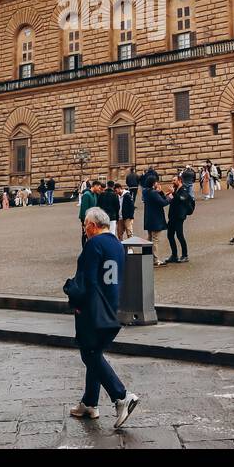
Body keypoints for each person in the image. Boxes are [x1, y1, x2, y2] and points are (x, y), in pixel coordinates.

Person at [64, 208, 139, 428]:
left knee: (90, 354)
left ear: (93, 225)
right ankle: (89, 402)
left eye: (85, 224)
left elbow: (86, 282)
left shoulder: (93, 244)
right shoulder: (117, 244)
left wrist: (70, 289)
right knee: (94, 352)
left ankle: (122, 396)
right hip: (111, 306)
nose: (84, 228)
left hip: (92, 309)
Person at [142, 179, 169, 267]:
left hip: (149, 218)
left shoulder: (145, 192)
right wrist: (170, 198)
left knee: (150, 238)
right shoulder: (153, 193)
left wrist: (160, 192)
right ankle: (156, 260)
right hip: (156, 219)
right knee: (155, 239)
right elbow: (162, 202)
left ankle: (146, 257)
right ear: (153, 184)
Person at [165, 177, 191, 264]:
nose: (172, 182)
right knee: (170, 235)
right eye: (172, 180)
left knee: (180, 235)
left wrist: (173, 193)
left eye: (174, 180)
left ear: (179, 181)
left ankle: (185, 255)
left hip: (179, 217)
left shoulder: (184, 190)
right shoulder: (175, 189)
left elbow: (181, 199)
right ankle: (174, 255)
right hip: (172, 216)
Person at [79, 180, 100, 245]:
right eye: (98, 187)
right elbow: (84, 209)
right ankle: (85, 250)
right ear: (95, 186)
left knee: (92, 235)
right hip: (87, 219)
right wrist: (85, 222)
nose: (99, 189)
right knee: (86, 234)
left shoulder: (94, 195)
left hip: (93, 218)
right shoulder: (87, 195)